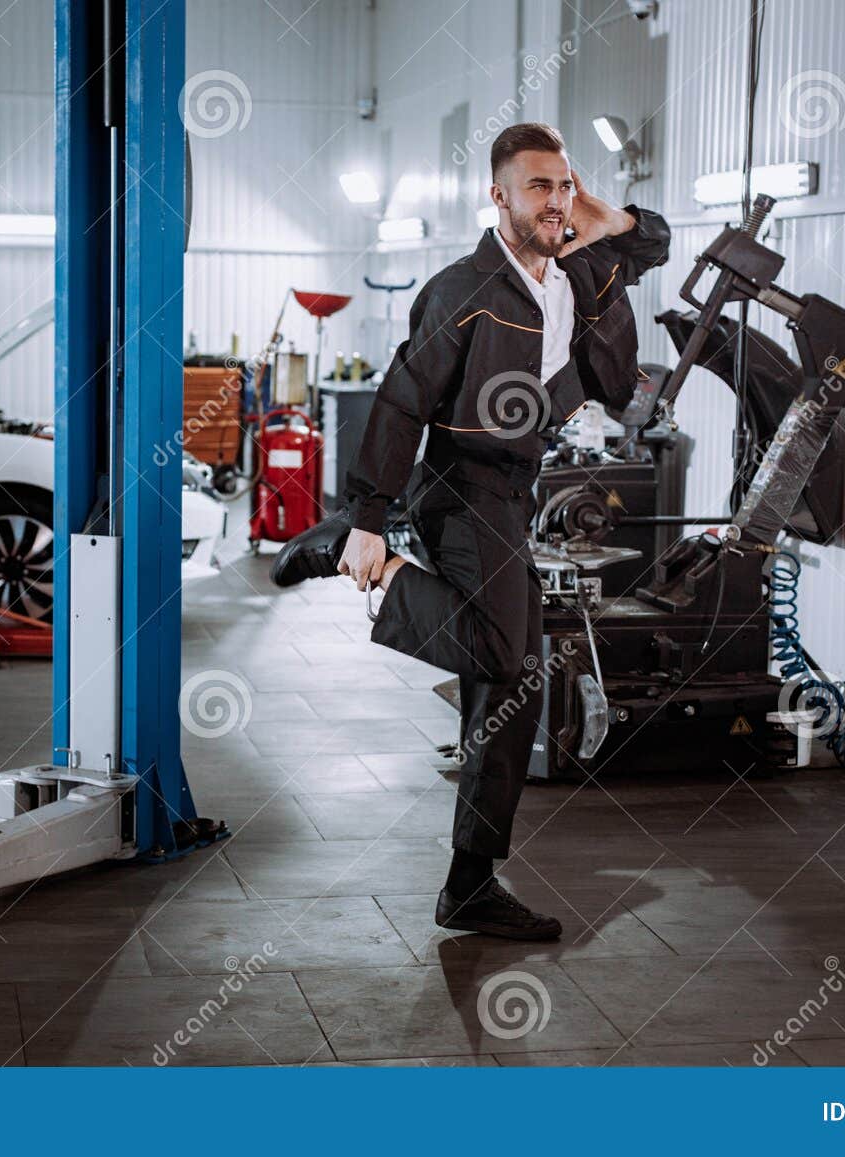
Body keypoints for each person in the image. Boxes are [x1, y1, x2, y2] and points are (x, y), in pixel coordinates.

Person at [271, 122, 670, 940]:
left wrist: (604, 217)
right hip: (460, 488)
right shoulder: (465, 289)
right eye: (538, 187)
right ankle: (351, 553)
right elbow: (401, 401)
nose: (556, 201)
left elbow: (655, 242)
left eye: (564, 184)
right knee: (502, 656)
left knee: (513, 682)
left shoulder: (578, 268)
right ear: (498, 197)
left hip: (515, 489)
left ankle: (469, 884)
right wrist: (370, 517)